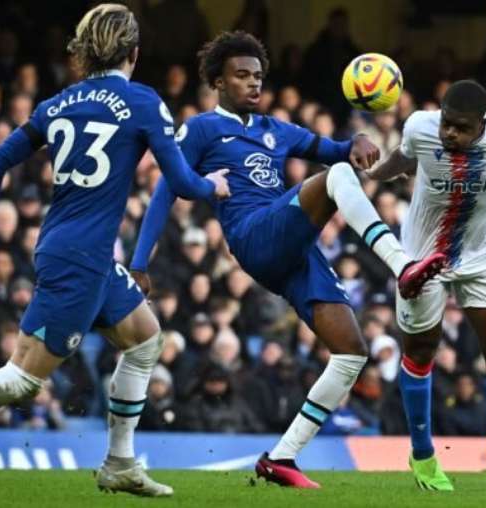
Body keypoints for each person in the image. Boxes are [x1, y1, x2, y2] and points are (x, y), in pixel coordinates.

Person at [0, 4, 229, 498]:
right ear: (134, 53)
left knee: (145, 340)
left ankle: (120, 463)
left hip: (77, 251)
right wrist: (214, 186)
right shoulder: (145, 103)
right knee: (21, 380)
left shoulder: (59, 102)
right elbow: (184, 185)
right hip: (80, 260)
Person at [129, 31, 446, 488]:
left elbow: (340, 152)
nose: (253, 84)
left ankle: (282, 458)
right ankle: (402, 265)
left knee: (351, 353)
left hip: (293, 250)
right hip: (255, 236)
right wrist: (140, 263)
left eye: (258, 76)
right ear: (218, 82)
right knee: (334, 178)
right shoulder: (201, 129)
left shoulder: (277, 130)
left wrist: (357, 137)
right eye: (242, 76)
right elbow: (165, 191)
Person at [366, 79, 486, 491]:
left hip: (482, 255)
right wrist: (377, 173)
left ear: (482, 124)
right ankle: (424, 456)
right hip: (422, 257)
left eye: (461, 128)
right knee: (420, 351)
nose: (449, 133)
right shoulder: (419, 128)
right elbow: (405, 155)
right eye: (447, 123)